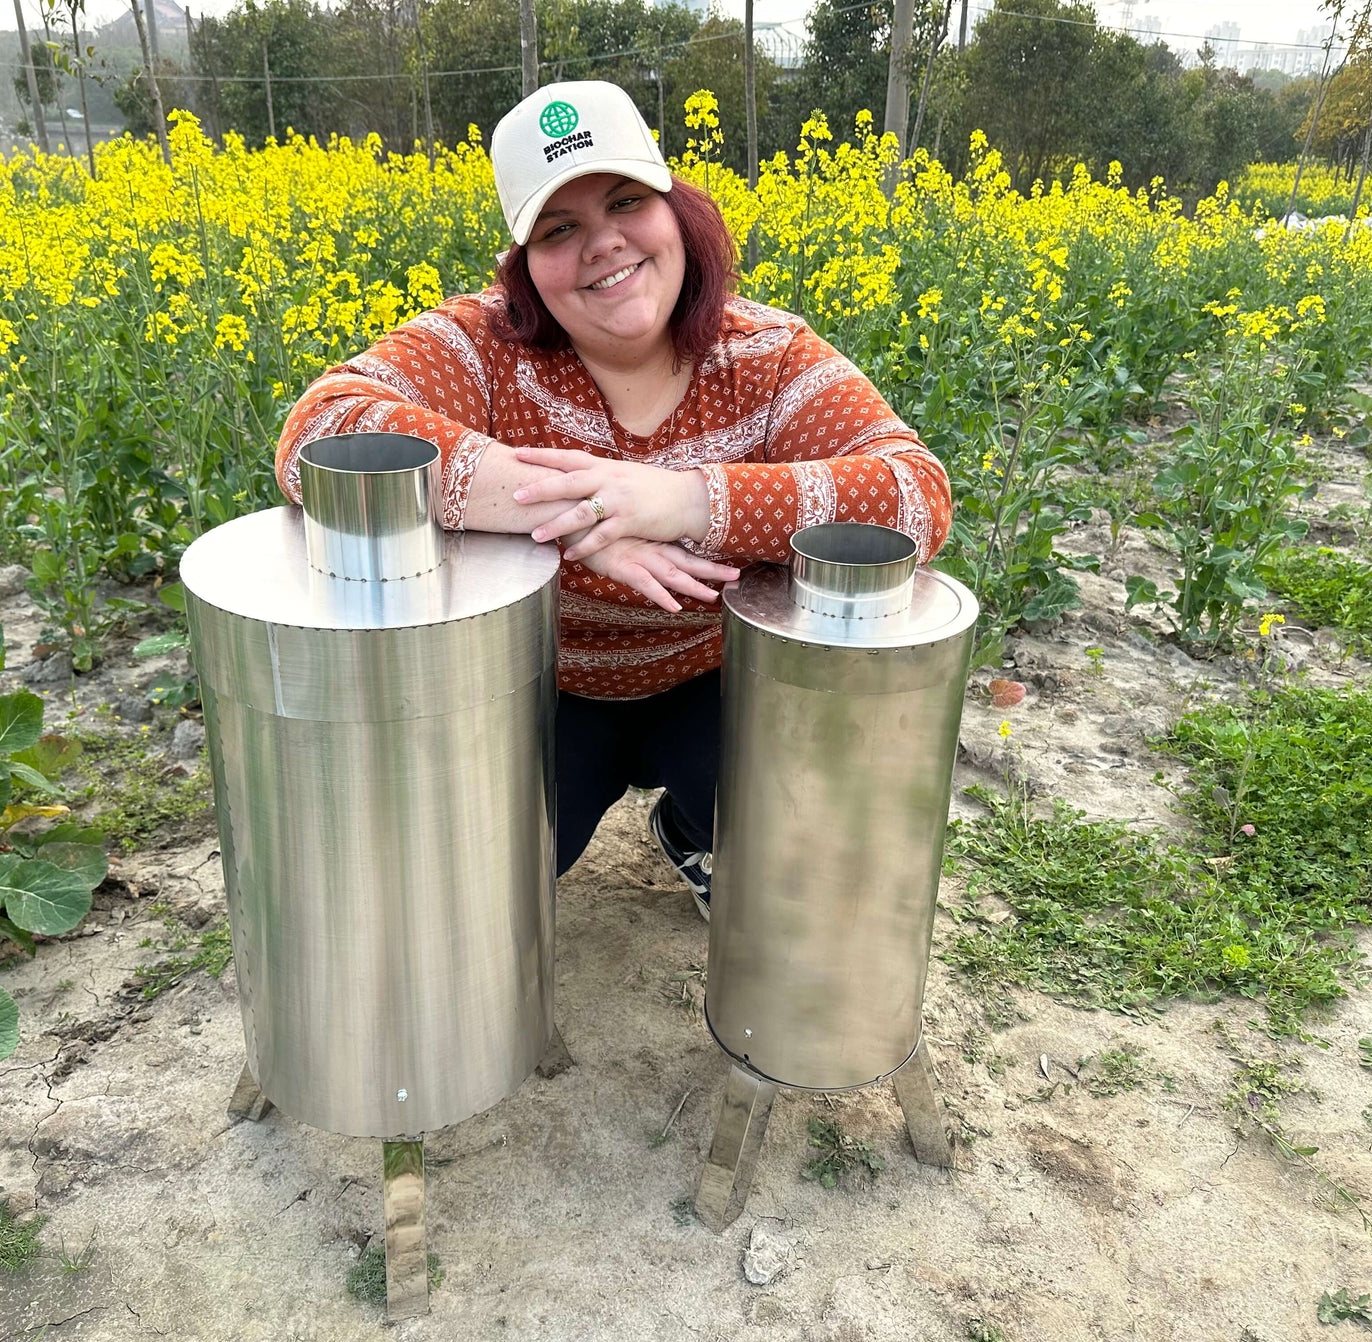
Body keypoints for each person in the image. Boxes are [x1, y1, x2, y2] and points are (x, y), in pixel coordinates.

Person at [274, 80, 952, 918]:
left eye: (626, 201)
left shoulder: (770, 356)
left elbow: (914, 496)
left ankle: (690, 826)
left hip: (721, 679)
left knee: (796, 860)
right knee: (472, 891)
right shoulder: (485, 348)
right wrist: (583, 518)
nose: (602, 245)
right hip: (537, 685)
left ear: (679, 215)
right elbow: (319, 433)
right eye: (560, 229)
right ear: (524, 269)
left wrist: (681, 501)